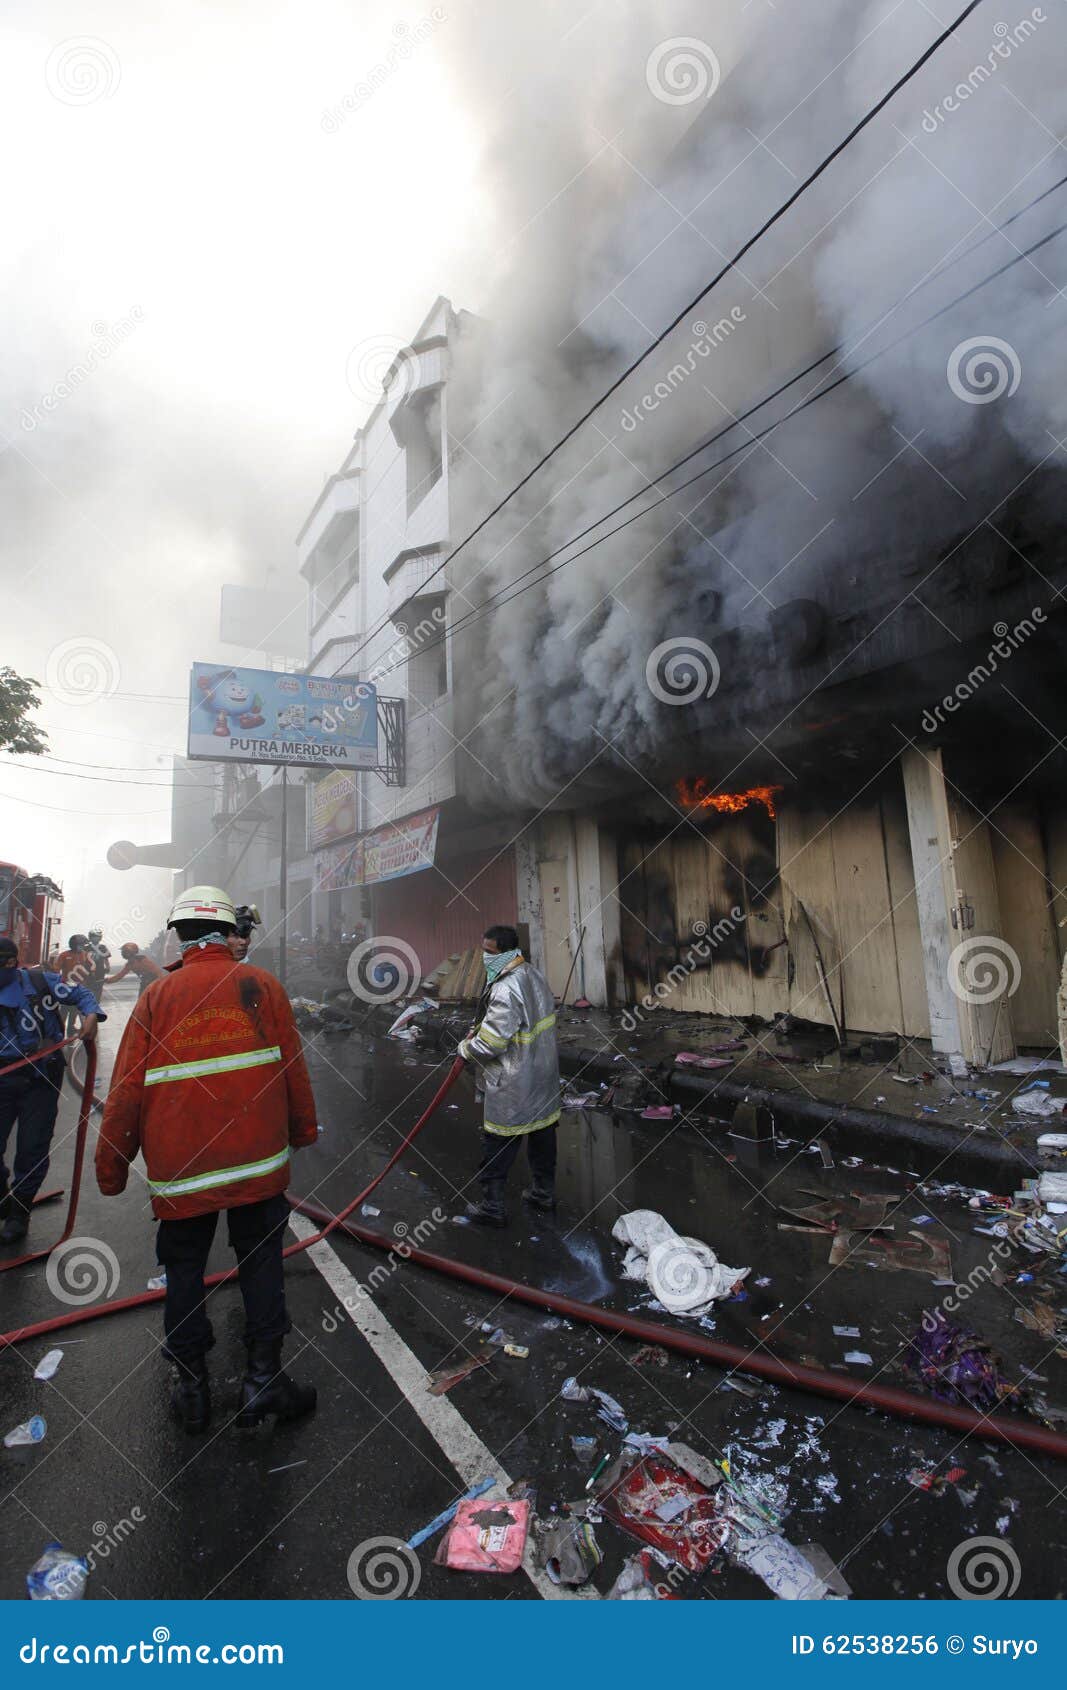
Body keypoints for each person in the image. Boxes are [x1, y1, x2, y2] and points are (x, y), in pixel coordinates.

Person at [95, 884, 319, 1435]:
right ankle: (262, 1382)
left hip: (182, 1175)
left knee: (185, 1270)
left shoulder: (159, 997)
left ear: (181, 934)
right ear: (227, 931)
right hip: (257, 1167)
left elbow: (126, 1088)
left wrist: (113, 1164)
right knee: (262, 1265)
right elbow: (293, 1068)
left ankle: (191, 1389)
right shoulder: (262, 986)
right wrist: (302, 1130)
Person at [0, 937, 102, 1244]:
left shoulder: (37, 981)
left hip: (39, 1078)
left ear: (12, 963)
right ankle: (5, 1195)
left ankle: (19, 1211)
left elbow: (79, 993)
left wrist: (91, 1015)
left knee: (32, 1146)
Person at [458, 925, 561, 1227]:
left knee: (499, 1141)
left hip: (514, 1078)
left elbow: (491, 1043)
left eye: (489, 952)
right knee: (542, 1135)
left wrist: (466, 1050)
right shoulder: (532, 974)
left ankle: (493, 1206)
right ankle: (543, 1193)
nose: (484, 958)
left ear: (506, 951)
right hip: (542, 1073)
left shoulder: (505, 986)